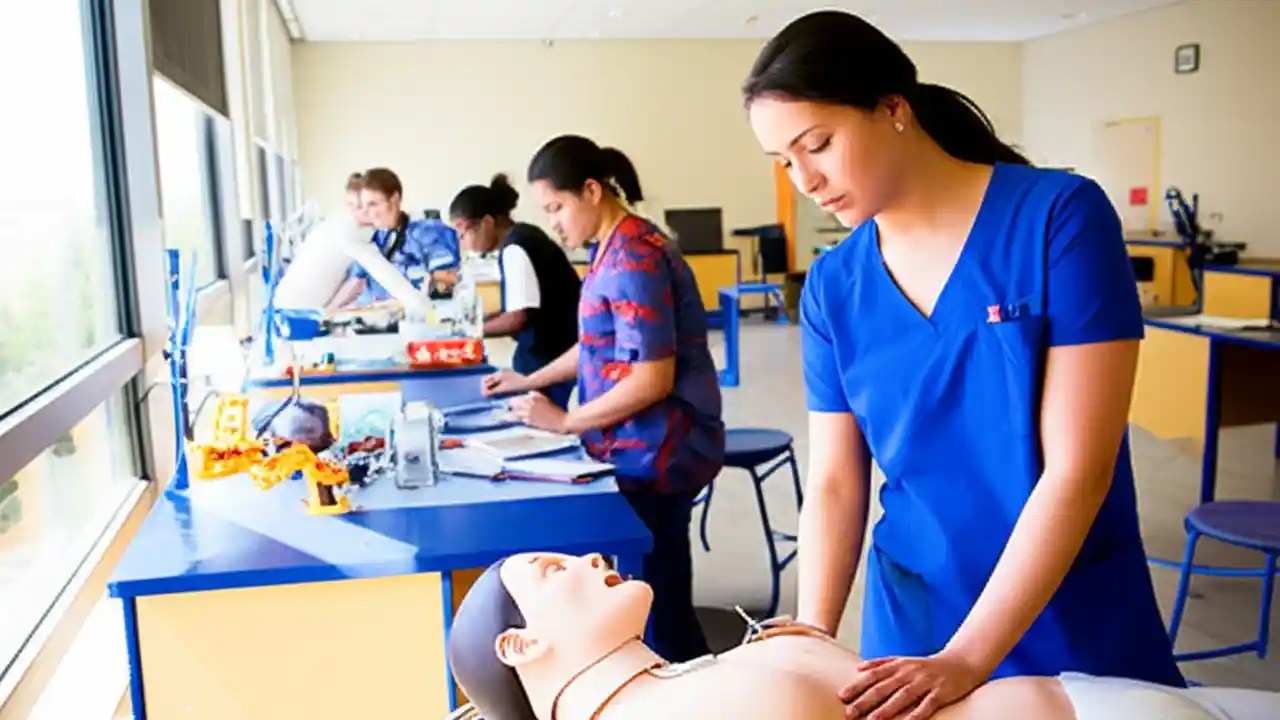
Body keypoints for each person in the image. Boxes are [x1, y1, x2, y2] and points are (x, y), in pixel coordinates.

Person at [741, 9, 1184, 719]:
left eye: (817, 144)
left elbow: (1079, 468)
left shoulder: (1058, 219)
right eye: (785, 162)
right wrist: (814, 636)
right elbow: (832, 480)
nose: (806, 180)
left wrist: (968, 658)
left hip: (1063, 606)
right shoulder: (834, 286)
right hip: (914, 617)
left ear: (893, 108)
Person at [446, 551, 1276, 720]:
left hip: (1092, 702)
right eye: (555, 571)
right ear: (521, 647)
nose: (591, 556)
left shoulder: (664, 685)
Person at [481, 136, 724, 664]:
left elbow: (652, 378)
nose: (555, 223)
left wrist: (566, 421)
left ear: (591, 191)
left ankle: (694, 687)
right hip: (635, 450)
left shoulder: (636, 256)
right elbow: (595, 347)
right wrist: (527, 382)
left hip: (660, 453)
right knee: (653, 595)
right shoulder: (610, 249)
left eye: (557, 207)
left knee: (662, 609)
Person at [449, 174, 581, 410]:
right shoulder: (525, 236)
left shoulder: (516, 248)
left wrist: (469, 332)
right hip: (559, 352)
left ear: (487, 222)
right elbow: (522, 304)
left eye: (463, 232)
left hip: (549, 360)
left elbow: (517, 318)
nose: (462, 241)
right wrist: (481, 321)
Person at [329, 167, 461, 309]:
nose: (367, 212)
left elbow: (448, 281)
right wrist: (328, 311)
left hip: (417, 318)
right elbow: (355, 281)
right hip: (372, 316)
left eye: (373, 204)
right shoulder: (375, 238)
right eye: (364, 206)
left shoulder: (428, 232)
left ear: (395, 200)